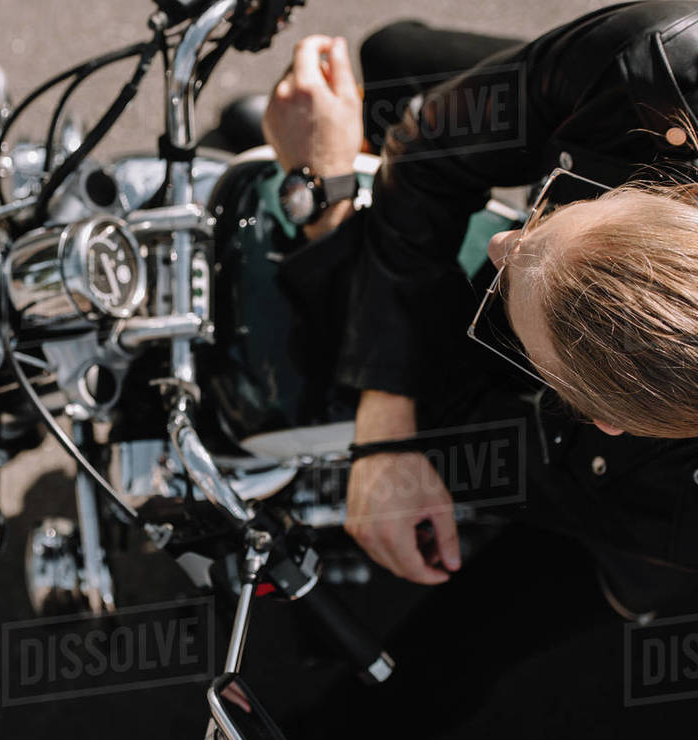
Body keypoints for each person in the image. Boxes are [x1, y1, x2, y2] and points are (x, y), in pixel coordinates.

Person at [260, 3, 698, 612]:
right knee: (393, 56)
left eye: (509, 286)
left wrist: (330, 213)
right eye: (556, 210)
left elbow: (449, 421)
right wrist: (384, 421)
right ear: (674, 195)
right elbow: (430, 144)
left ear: (598, 418)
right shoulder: (663, 67)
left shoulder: (659, 493)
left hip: (656, 529)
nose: (502, 243)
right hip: (595, 95)